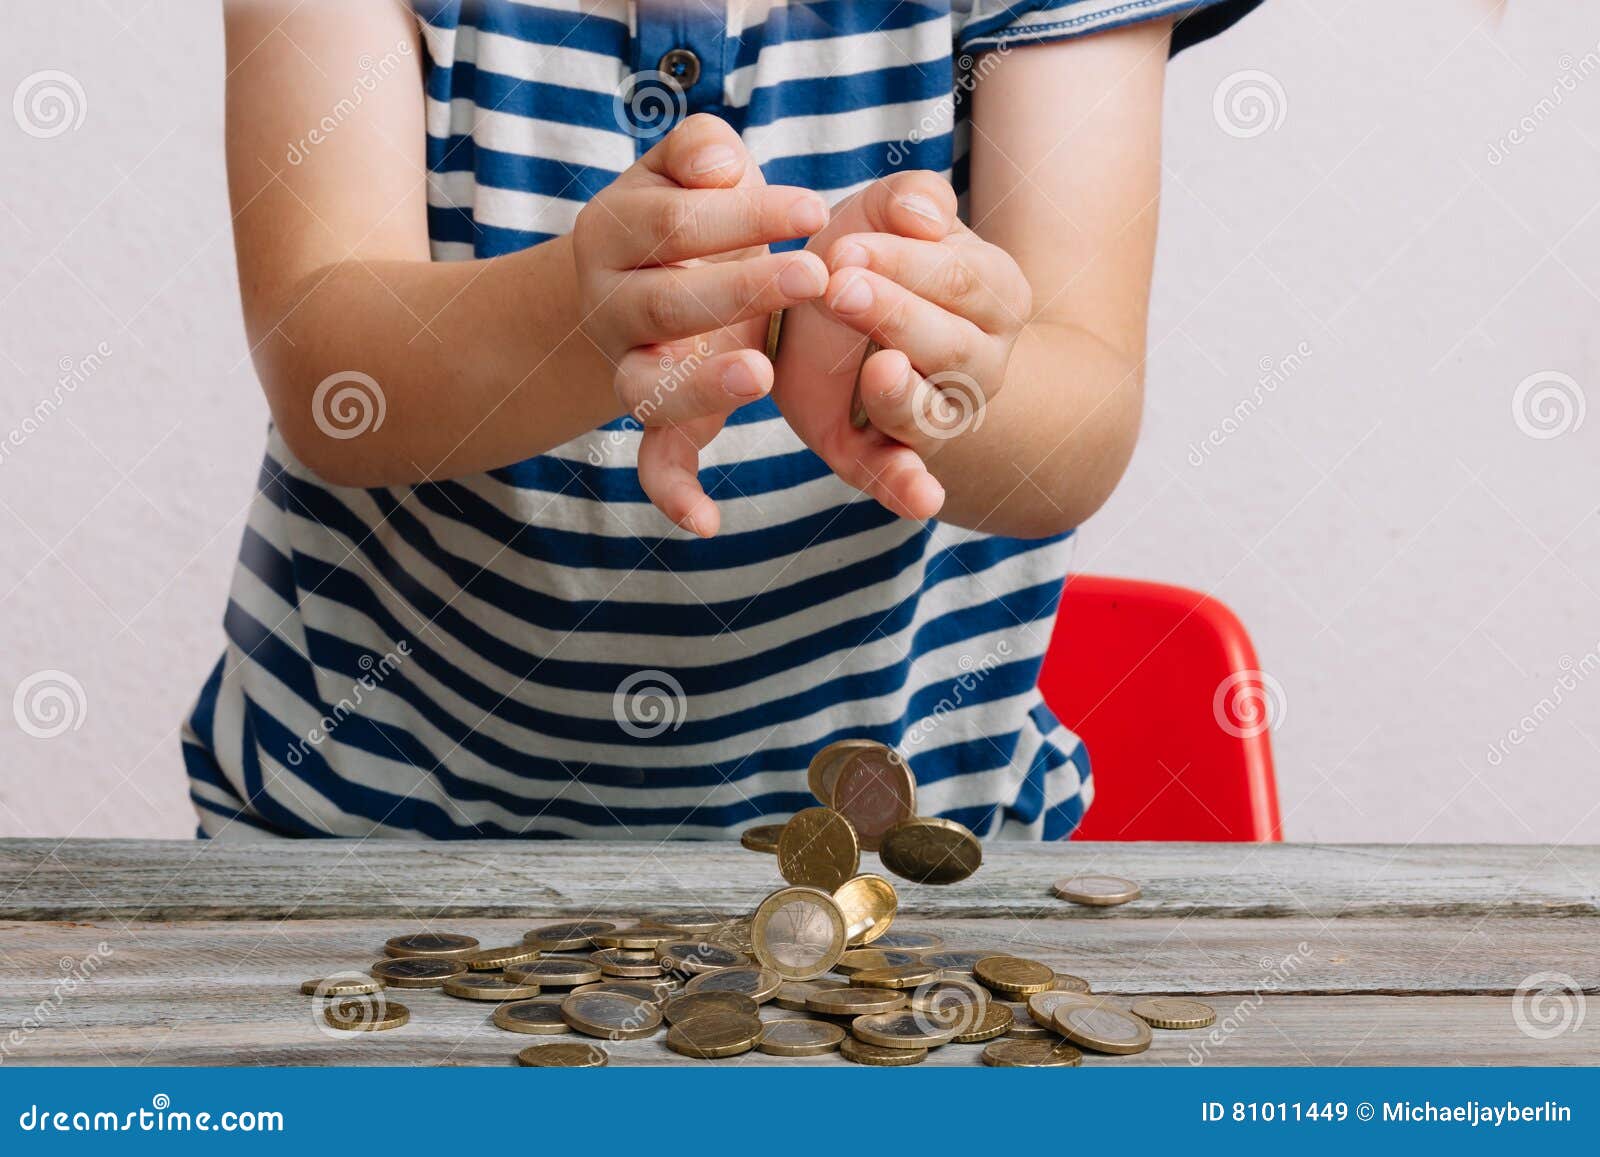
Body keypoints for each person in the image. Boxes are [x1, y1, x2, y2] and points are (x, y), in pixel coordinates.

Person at [185, 0, 1260, 840]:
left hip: (901, 856)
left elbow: (1077, 431)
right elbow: (331, 377)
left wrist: (895, 352)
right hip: (364, 832)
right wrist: (591, 314)